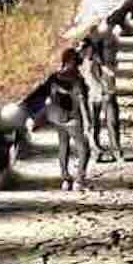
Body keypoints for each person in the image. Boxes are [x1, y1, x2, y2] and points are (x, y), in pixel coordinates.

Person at [43, 48, 92, 192]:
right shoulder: (77, 80)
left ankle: (65, 178)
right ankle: (79, 179)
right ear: (75, 61)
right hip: (73, 118)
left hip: (58, 119)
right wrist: (88, 121)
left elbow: (48, 96)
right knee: (84, 149)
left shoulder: (54, 77)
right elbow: (82, 102)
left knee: (63, 146)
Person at [81, 33, 122, 164]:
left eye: (89, 49)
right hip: (92, 96)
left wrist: (102, 64)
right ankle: (96, 152)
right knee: (94, 125)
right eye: (85, 50)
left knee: (112, 122)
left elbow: (112, 73)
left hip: (107, 94)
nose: (88, 52)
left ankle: (117, 151)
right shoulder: (81, 63)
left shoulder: (104, 61)